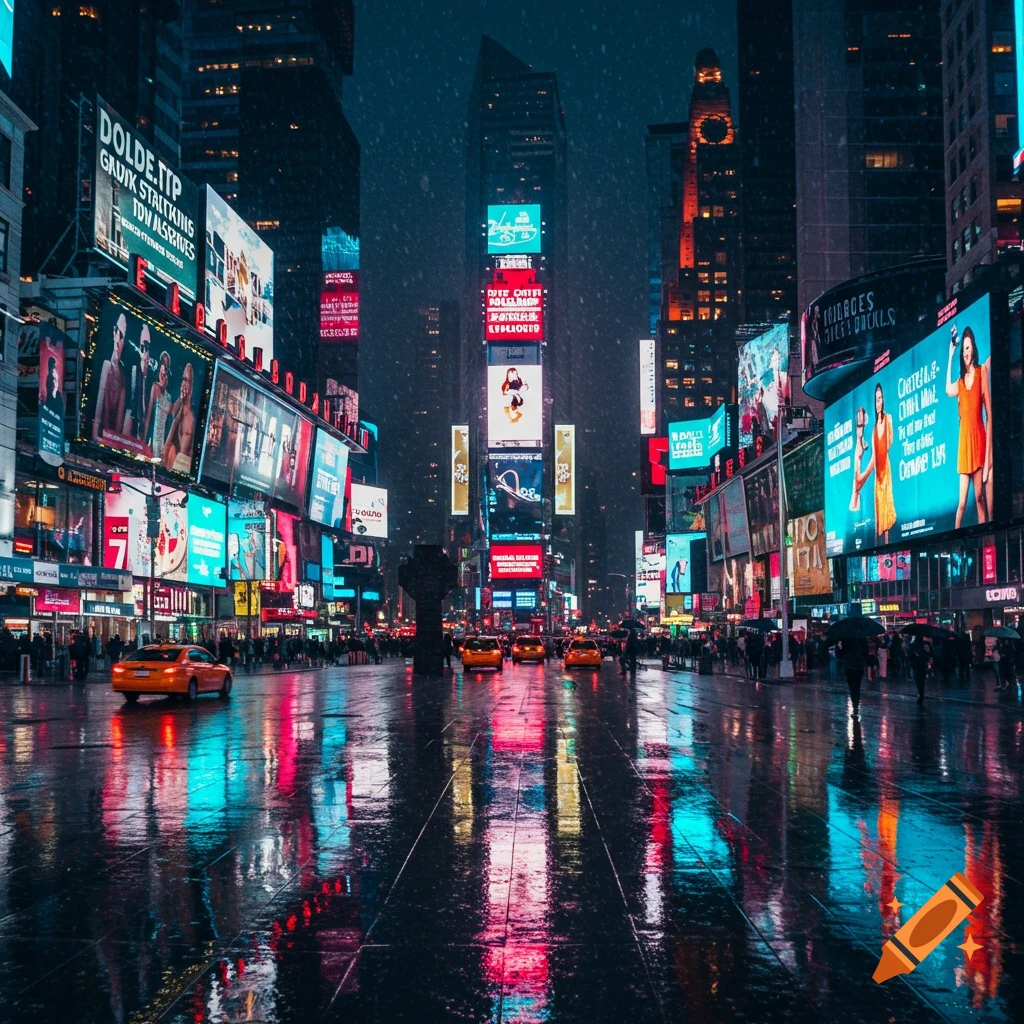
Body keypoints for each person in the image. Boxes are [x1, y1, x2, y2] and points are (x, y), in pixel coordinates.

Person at [945, 323, 992, 528]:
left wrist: (989, 456)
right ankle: (956, 540)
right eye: (963, 348)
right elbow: (947, 389)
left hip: (979, 442)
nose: (966, 351)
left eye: (968, 346)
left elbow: (990, 414)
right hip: (965, 447)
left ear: (973, 348)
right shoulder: (960, 382)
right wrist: (950, 354)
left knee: (980, 498)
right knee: (962, 504)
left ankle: (986, 543)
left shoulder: (982, 372)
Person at [852, 383, 897, 546]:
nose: (879, 402)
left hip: (886, 472)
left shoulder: (888, 419)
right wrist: (863, 479)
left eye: (880, 398)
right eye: (876, 399)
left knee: (887, 511)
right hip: (877, 476)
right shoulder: (871, 431)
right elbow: (872, 458)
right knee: (879, 516)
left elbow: (889, 443)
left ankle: (888, 545)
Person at [92, 311, 127, 443]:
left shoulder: (123, 378)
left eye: (122, 336)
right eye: (117, 332)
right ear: (114, 333)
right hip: (97, 441)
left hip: (110, 445)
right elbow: (96, 420)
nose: (119, 339)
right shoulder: (105, 365)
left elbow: (117, 430)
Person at [162, 362, 196, 473]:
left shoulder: (191, 417)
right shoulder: (176, 408)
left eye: (187, 380)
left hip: (180, 469)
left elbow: (184, 456)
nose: (184, 384)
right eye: (183, 379)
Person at [123, 324, 152, 440]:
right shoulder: (132, 372)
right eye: (142, 348)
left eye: (147, 347)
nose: (145, 352)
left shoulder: (152, 381)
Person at [839, 637, 866, 716]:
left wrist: (839, 647)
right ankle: (856, 705)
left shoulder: (846, 639)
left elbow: (841, 655)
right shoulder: (862, 639)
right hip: (859, 667)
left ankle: (855, 705)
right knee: (857, 687)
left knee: (852, 688)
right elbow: (865, 653)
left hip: (849, 667)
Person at [910, 637, 931, 704]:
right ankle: (921, 694)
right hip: (923, 664)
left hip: (916, 664)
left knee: (918, 680)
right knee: (921, 680)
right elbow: (929, 653)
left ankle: (920, 693)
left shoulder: (913, 645)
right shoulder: (925, 644)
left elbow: (910, 655)